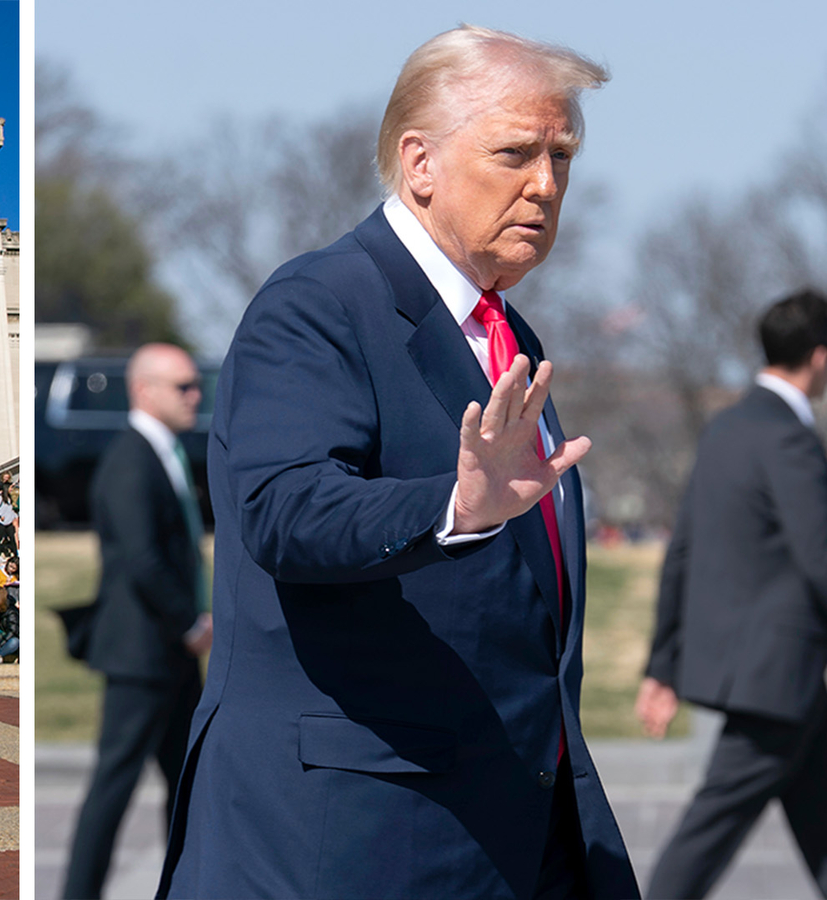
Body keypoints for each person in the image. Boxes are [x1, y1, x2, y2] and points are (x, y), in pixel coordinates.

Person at [156, 26, 638, 900]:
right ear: (420, 163)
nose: (546, 184)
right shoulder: (317, 304)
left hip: (504, 829)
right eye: (515, 153)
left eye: (561, 156)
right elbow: (284, 510)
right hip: (353, 839)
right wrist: (454, 505)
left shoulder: (506, 333)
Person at [637, 289, 827, 899]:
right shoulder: (788, 438)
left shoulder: (727, 428)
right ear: (819, 357)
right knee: (708, 831)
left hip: (767, 677)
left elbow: (683, 551)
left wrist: (662, 664)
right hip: (779, 679)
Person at [61, 343, 213, 900]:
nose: (197, 395)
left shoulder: (163, 453)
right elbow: (141, 558)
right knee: (114, 788)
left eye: (196, 384)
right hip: (141, 652)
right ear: (144, 390)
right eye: (184, 386)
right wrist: (191, 623)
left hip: (166, 652)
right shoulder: (129, 458)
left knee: (187, 787)